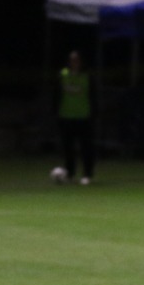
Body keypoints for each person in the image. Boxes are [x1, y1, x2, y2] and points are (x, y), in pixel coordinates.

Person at [55, 49, 94, 185]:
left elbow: (93, 95)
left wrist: (94, 113)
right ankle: (70, 173)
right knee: (68, 148)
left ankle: (87, 174)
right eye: (72, 60)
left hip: (84, 116)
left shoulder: (87, 75)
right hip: (66, 116)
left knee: (86, 147)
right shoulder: (63, 74)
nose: (74, 63)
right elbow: (56, 94)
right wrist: (56, 112)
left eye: (77, 60)